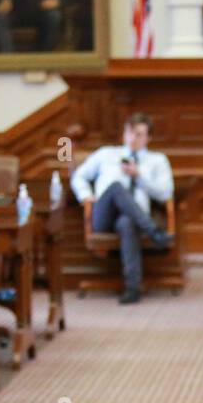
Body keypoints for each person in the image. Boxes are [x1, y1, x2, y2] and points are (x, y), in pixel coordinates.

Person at [70, 113, 175, 304]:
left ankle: (132, 288)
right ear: (124, 134)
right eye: (130, 132)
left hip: (133, 219)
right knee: (116, 187)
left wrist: (139, 176)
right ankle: (153, 231)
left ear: (148, 137)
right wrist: (86, 196)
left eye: (139, 134)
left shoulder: (157, 160)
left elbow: (165, 192)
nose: (133, 138)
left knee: (127, 222)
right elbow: (79, 176)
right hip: (103, 216)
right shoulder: (106, 154)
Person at [0, 0, 65, 53]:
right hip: (15, 10)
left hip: (43, 11)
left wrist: (58, 1)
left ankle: (44, 57)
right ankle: (8, 58)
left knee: (54, 16)